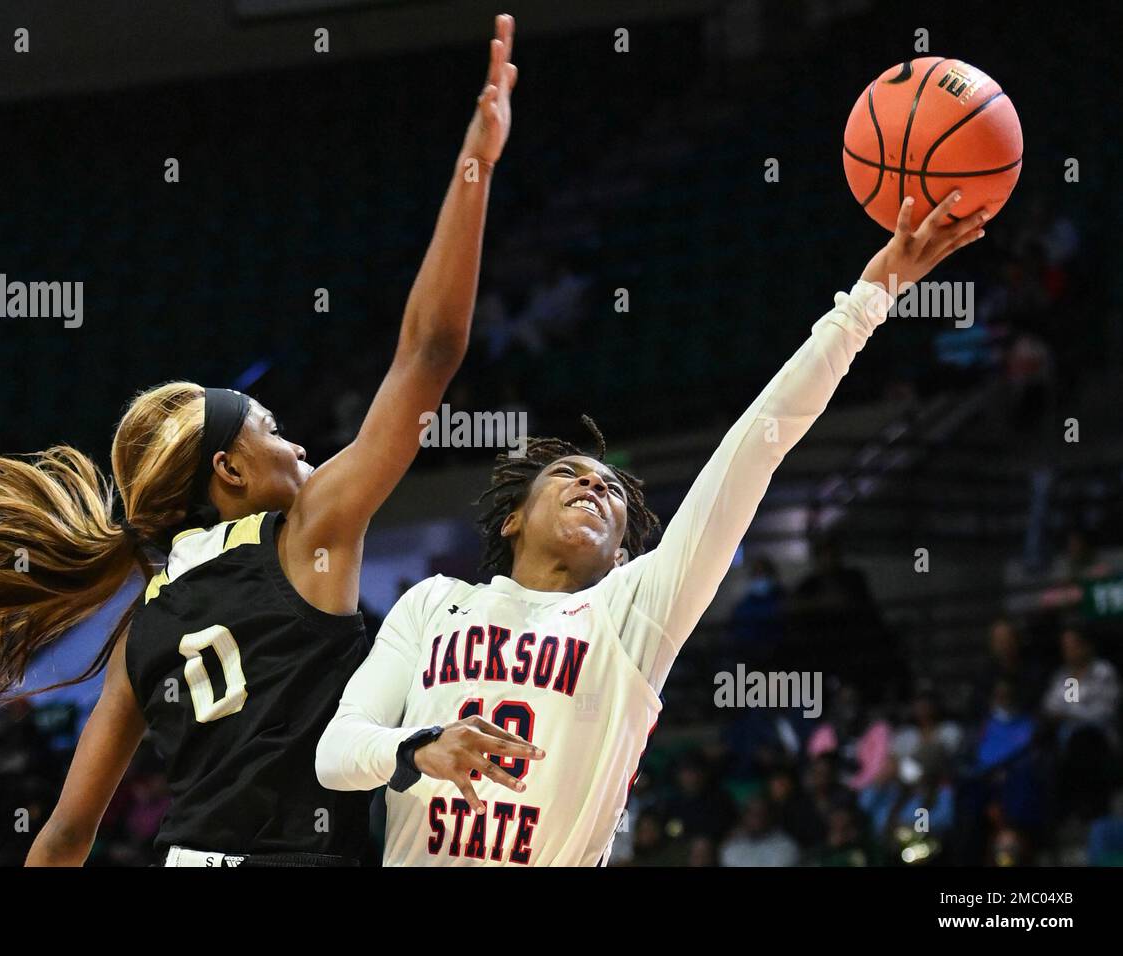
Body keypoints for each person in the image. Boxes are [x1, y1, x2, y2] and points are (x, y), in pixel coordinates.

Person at [0, 15, 520, 867]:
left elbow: (67, 835)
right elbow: (430, 353)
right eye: (271, 429)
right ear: (227, 469)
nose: (297, 445)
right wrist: (475, 167)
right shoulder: (308, 534)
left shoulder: (145, 621)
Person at [315, 193, 989, 865]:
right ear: (513, 517)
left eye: (609, 490)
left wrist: (872, 297)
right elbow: (335, 754)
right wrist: (417, 746)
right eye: (570, 476)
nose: (594, 485)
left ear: (623, 553)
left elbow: (758, 444)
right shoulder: (433, 604)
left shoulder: (632, 608)